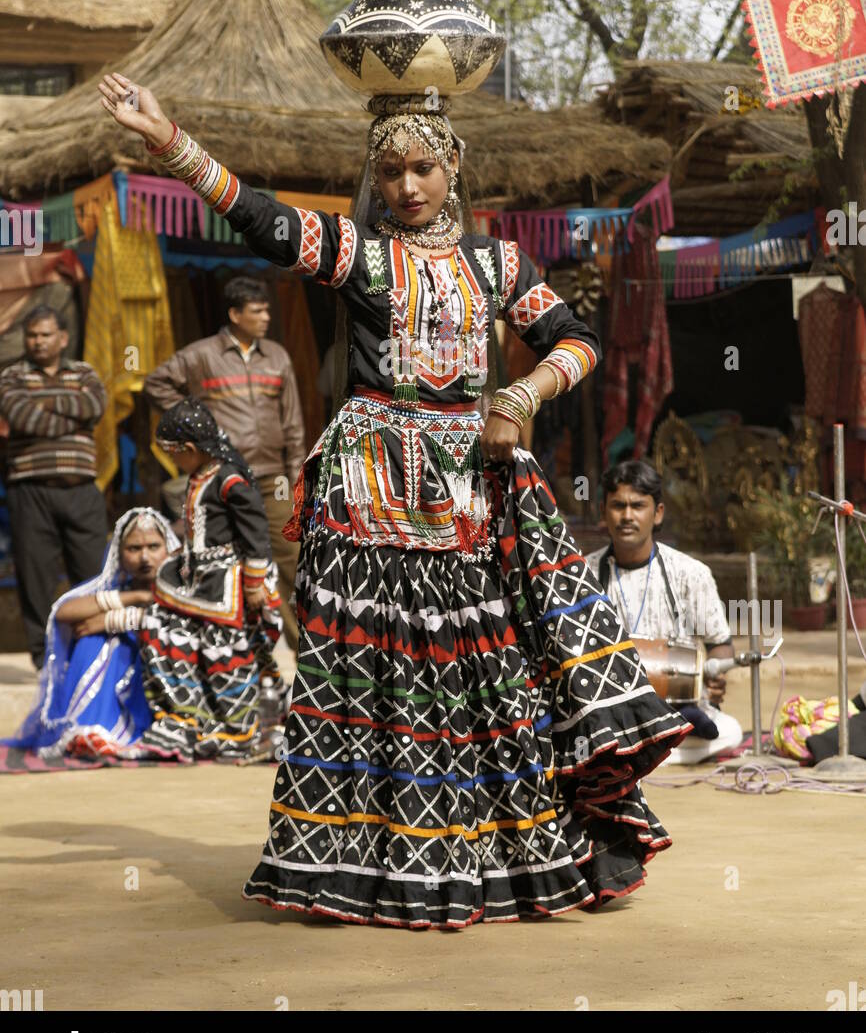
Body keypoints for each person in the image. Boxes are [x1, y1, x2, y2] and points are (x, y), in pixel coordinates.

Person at [100, 69, 690, 930]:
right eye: (390, 174)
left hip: (469, 487)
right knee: (365, 671)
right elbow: (263, 221)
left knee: (486, 670)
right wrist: (166, 140)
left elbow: (575, 338)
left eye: (422, 169)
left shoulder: (497, 263)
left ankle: (503, 858)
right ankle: (349, 866)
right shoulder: (361, 254)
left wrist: (521, 397)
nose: (406, 188)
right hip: (369, 481)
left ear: (453, 167)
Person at [143, 276, 306, 650]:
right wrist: (200, 428)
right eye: (257, 310)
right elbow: (156, 382)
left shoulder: (277, 356)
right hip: (225, 476)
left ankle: (304, 658)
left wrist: (296, 476)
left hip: (272, 478)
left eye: (267, 309)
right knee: (225, 562)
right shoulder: (201, 355)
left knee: (292, 563)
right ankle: (237, 654)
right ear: (234, 314)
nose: (266, 316)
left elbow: (293, 423)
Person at [129, 399, 283, 763]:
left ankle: (239, 732)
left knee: (225, 655)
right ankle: (189, 723)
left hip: (229, 583)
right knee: (166, 633)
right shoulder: (202, 475)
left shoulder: (229, 479)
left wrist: (254, 582)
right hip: (198, 581)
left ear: (191, 450)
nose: (172, 460)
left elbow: (256, 531)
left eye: (173, 453)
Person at [584, 458, 743, 764]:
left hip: (675, 707)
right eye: (618, 506)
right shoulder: (582, 575)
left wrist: (714, 675)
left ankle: (634, 758)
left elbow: (719, 644)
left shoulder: (691, 573)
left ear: (657, 513)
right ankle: (650, 755)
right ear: (603, 511)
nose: (627, 516)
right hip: (609, 708)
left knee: (730, 730)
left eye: (638, 506)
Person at [2, 508, 179, 761]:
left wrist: (114, 619)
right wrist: (135, 597)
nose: (145, 557)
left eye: (153, 546)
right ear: (119, 553)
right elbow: (65, 612)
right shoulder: (118, 588)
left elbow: (183, 624)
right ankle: (89, 723)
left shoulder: (182, 586)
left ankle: (131, 728)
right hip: (122, 669)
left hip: (167, 678)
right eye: (134, 548)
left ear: (169, 548)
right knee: (91, 636)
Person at [0, 305, 108, 669]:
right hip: (30, 490)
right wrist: (71, 415)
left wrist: (43, 406)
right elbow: (20, 416)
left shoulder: (84, 372)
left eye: (46, 334)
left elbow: (94, 404)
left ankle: (92, 652)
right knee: (35, 576)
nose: (38, 341)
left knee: (93, 573)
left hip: (82, 491)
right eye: (32, 335)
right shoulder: (12, 376)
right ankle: (43, 659)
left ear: (62, 338)